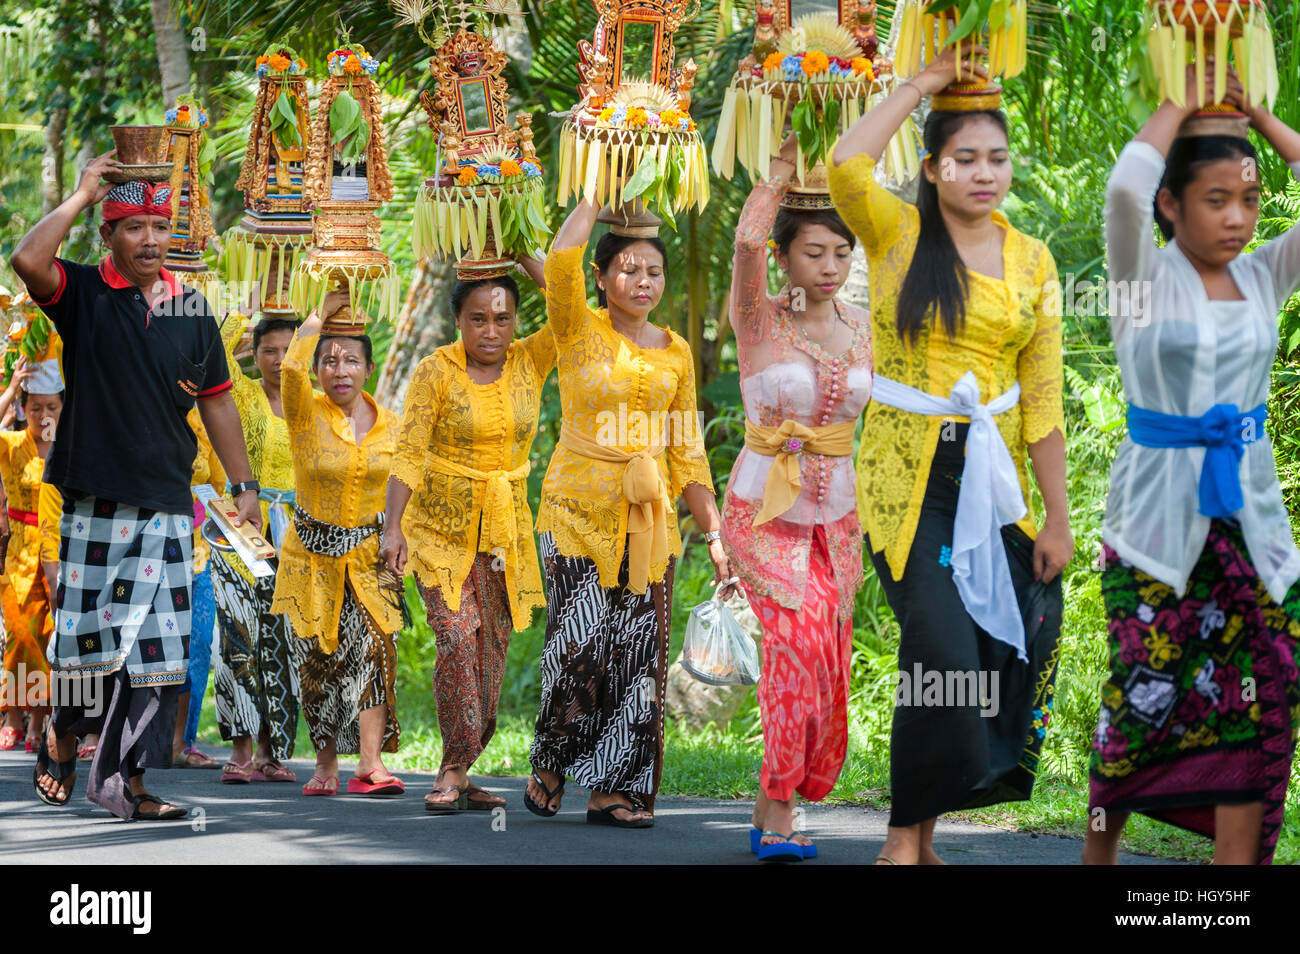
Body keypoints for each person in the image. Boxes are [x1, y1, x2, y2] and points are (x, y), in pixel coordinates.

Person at [829, 48, 1072, 864]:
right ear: (932, 169)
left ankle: (921, 840)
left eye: (997, 158)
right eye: (964, 158)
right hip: (909, 480)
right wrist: (920, 86)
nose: (984, 173)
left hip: (994, 485)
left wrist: (1058, 521)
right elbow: (845, 165)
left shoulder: (1032, 259)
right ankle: (902, 842)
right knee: (940, 652)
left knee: (985, 662)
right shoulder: (896, 232)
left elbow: (1042, 404)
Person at [1084, 67, 1300, 866]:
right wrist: (1182, 96)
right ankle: (1100, 861)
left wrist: (1258, 116)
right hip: (1153, 532)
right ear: (1171, 204)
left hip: (1254, 528)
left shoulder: (1263, 275)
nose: (1239, 219)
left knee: (1262, 700)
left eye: (1248, 199)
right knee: (1140, 704)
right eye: (1216, 200)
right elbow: (1120, 192)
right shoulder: (1141, 277)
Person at [10, 155, 261, 820]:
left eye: (159, 225)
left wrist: (244, 484)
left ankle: (128, 780)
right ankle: (64, 733)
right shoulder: (84, 294)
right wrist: (82, 193)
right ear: (109, 235)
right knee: (89, 648)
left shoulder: (192, 311)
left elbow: (219, 405)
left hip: (169, 504)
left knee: (158, 653)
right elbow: (27, 259)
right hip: (96, 498)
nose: (150, 238)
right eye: (133, 227)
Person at [524, 199, 729, 828]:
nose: (644, 282)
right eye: (630, 270)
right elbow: (559, 262)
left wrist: (715, 536)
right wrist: (593, 194)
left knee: (637, 655)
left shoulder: (676, 353)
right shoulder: (577, 328)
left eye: (654, 272)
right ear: (602, 277)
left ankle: (612, 787)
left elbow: (688, 452)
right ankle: (554, 758)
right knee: (580, 643)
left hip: (649, 522)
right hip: (575, 513)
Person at [722, 138, 873, 861]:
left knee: (827, 666)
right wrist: (779, 174)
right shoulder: (759, 321)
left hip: (838, 522)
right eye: (814, 253)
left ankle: (768, 808)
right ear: (786, 258)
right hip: (765, 516)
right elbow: (747, 242)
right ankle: (778, 826)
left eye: (841, 254)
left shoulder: (862, 330)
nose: (830, 267)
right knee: (794, 652)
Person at [381, 261, 552, 811]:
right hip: (439, 532)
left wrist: (526, 254)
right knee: (456, 639)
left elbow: (574, 309)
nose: (491, 331)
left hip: (506, 534)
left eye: (503, 318)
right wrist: (392, 528)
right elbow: (408, 452)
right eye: (477, 318)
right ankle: (452, 771)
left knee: (491, 650)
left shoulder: (531, 358)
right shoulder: (435, 371)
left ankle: (463, 763)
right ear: (458, 319)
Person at [271, 290, 405, 797]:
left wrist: (399, 533)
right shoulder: (306, 413)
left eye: (351, 359)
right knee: (318, 661)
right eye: (329, 360)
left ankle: (369, 764)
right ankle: (325, 764)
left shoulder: (393, 426)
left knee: (374, 651)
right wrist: (318, 315)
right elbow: (289, 371)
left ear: (369, 368)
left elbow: (407, 480)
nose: (339, 369)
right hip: (310, 556)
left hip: (371, 557)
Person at [211, 309, 301, 784]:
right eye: (270, 350)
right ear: (256, 353)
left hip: (294, 537)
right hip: (237, 530)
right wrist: (250, 297)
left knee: (281, 641)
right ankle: (242, 749)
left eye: (289, 350)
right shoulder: (242, 394)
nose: (280, 359)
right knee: (236, 639)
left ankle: (271, 750)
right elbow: (217, 350)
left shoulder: (314, 401)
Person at [0, 356, 62, 752]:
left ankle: (39, 720)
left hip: (60, 550)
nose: (43, 414)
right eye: (35, 406)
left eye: (51, 406)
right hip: (20, 550)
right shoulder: (12, 444)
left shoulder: (71, 446)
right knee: (21, 633)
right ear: (23, 408)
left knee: (52, 637)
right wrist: (8, 390)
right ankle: (12, 715)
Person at [170, 407, 224, 769]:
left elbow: (217, 490)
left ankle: (181, 742)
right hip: (150, 548)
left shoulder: (207, 422)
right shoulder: (148, 408)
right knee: (155, 647)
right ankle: (136, 739)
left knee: (198, 645)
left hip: (199, 553)